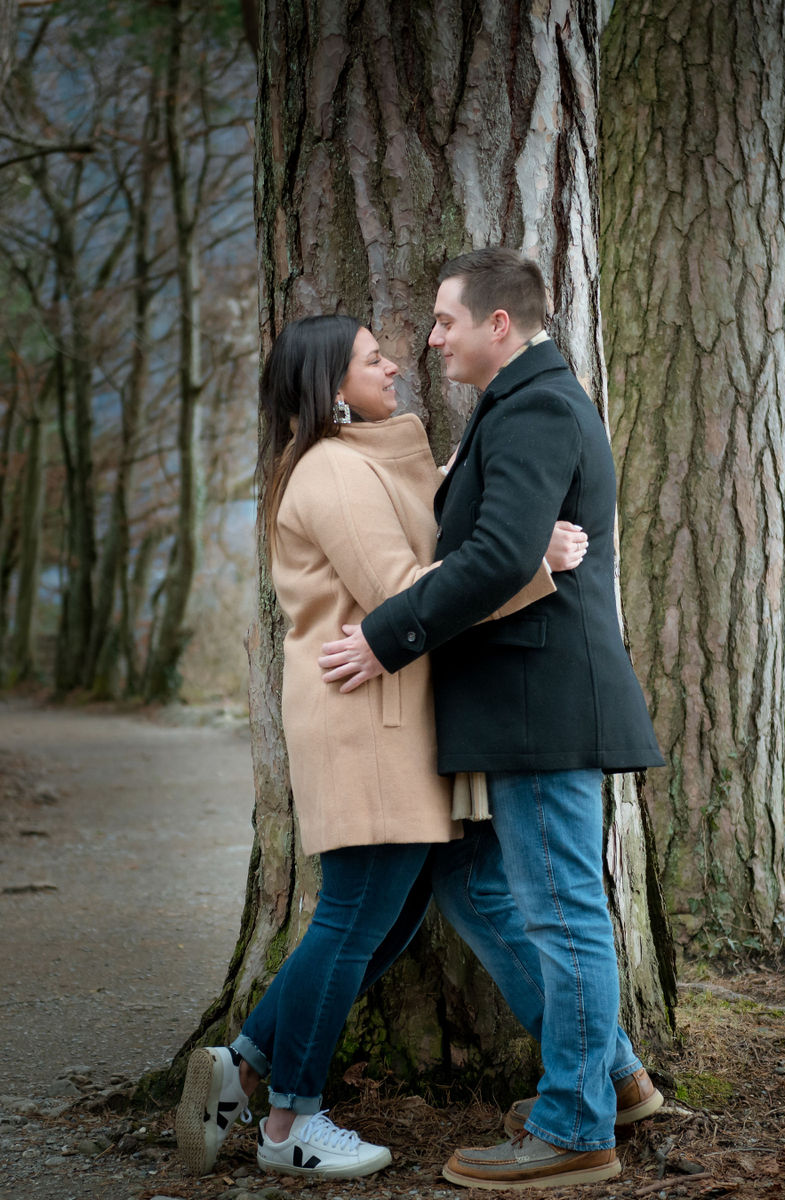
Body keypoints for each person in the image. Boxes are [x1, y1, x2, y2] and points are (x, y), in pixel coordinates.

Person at [174, 314, 588, 1181]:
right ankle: (291, 1121)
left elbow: (429, 522)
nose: (396, 363)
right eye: (373, 358)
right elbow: (404, 589)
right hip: (371, 723)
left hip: (390, 719)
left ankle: (246, 1067)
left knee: (388, 920)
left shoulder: (361, 462)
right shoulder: (330, 472)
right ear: (332, 387)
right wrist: (526, 555)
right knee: (354, 922)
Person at [318, 248, 667, 1189]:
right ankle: (616, 1075)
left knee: (562, 914)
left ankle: (573, 1128)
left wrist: (385, 637)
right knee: (474, 884)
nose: (431, 340)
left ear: (498, 324)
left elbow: (501, 553)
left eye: (443, 321)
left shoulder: (540, 408)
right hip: (509, 705)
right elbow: (499, 542)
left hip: (541, 702)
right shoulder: (513, 410)